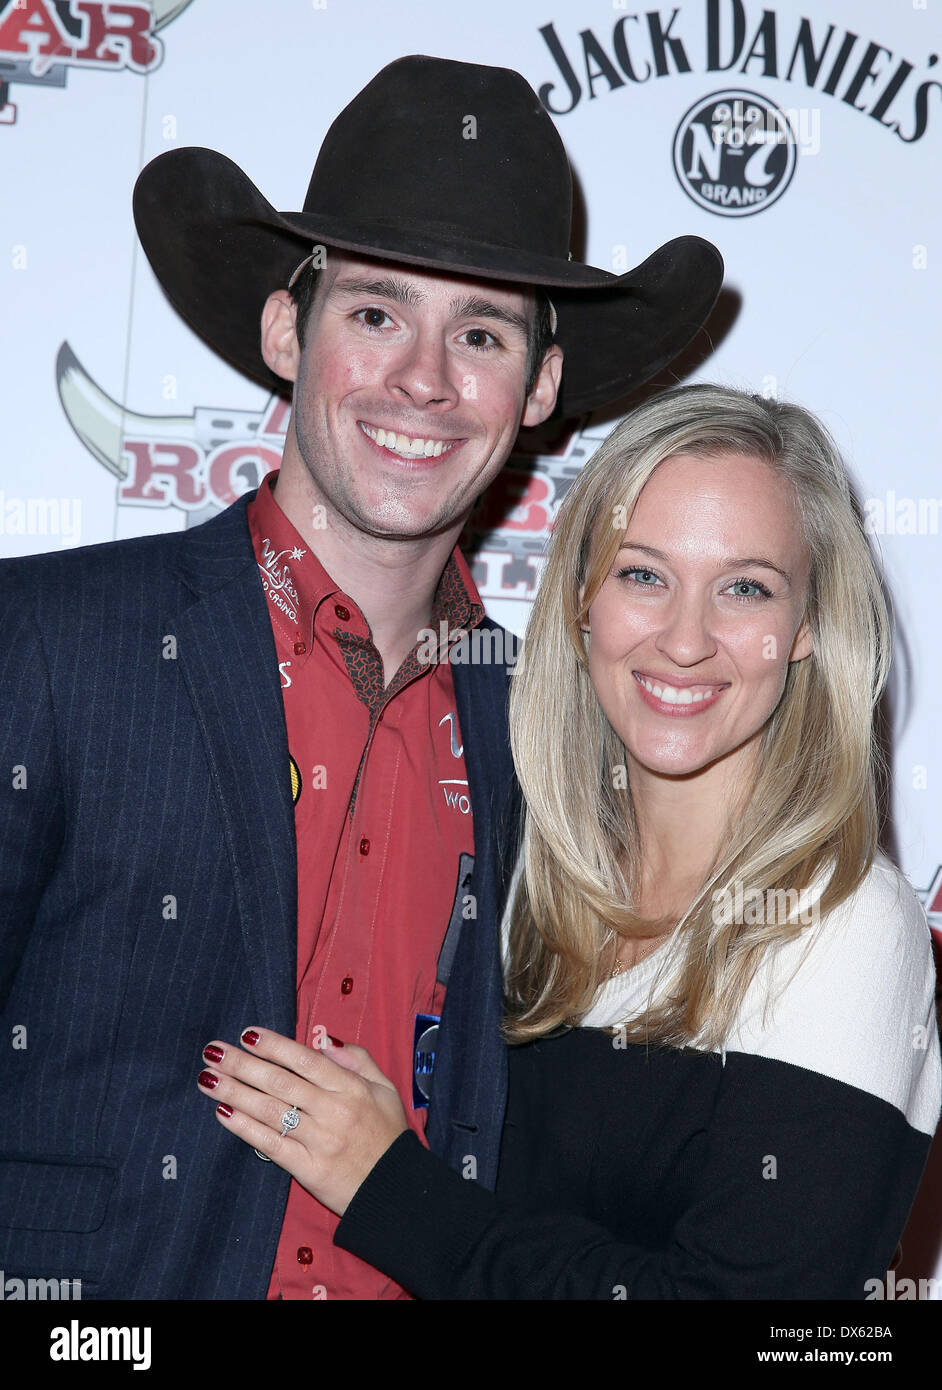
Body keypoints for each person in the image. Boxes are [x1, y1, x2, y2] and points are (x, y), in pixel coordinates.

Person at [0, 56, 723, 1298]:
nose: (426, 381)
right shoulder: (57, 643)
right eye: (378, 313)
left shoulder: (546, 730)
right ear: (290, 332)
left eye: (482, 332)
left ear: (539, 388)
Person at [196, 384, 941, 1299]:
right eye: (642, 574)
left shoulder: (840, 924)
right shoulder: (519, 872)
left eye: (745, 587)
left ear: (808, 631)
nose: (684, 639)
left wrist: (388, 1188)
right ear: (582, 600)